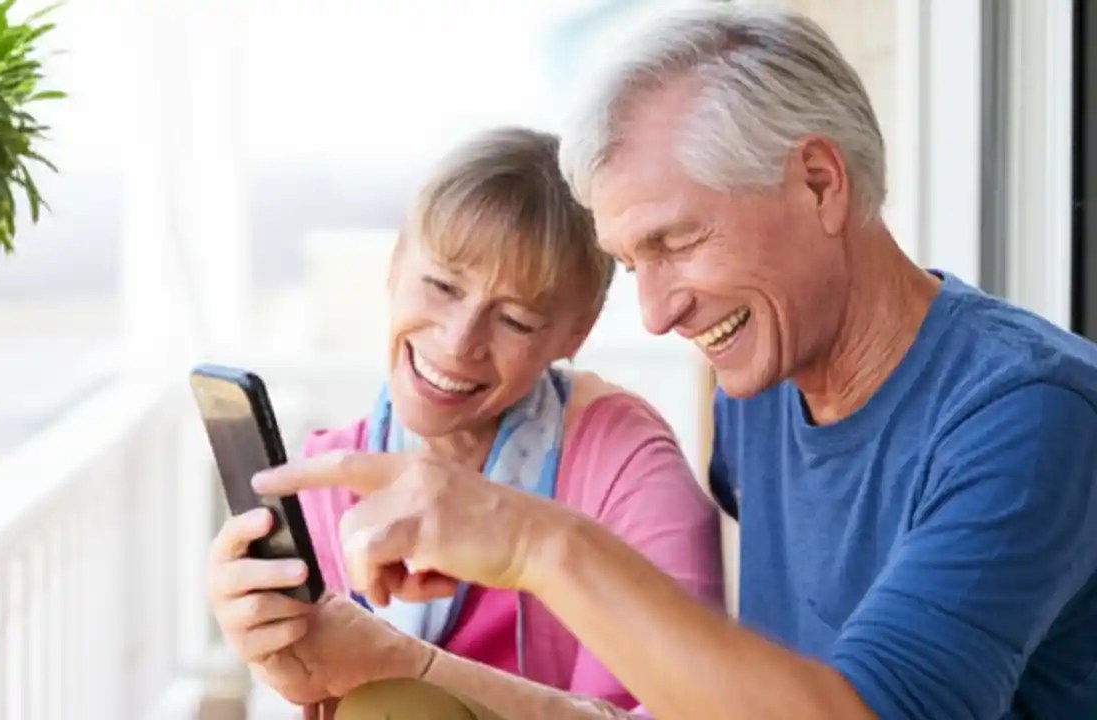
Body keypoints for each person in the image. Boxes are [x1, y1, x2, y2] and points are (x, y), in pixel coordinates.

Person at [247, 4, 1097, 719]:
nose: (656, 313)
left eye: (677, 241)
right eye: (632, 262)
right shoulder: (762, 386)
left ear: (818, 183)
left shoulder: (1029, 417)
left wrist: (538, 542)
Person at [207, 127, 723, 716]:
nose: (458, 343)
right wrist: (281, 662)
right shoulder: (324, 487)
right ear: (396, 262)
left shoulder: (623, 465)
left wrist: (406, 663)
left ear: (575, 333)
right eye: (441, 285)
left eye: (516, 321)